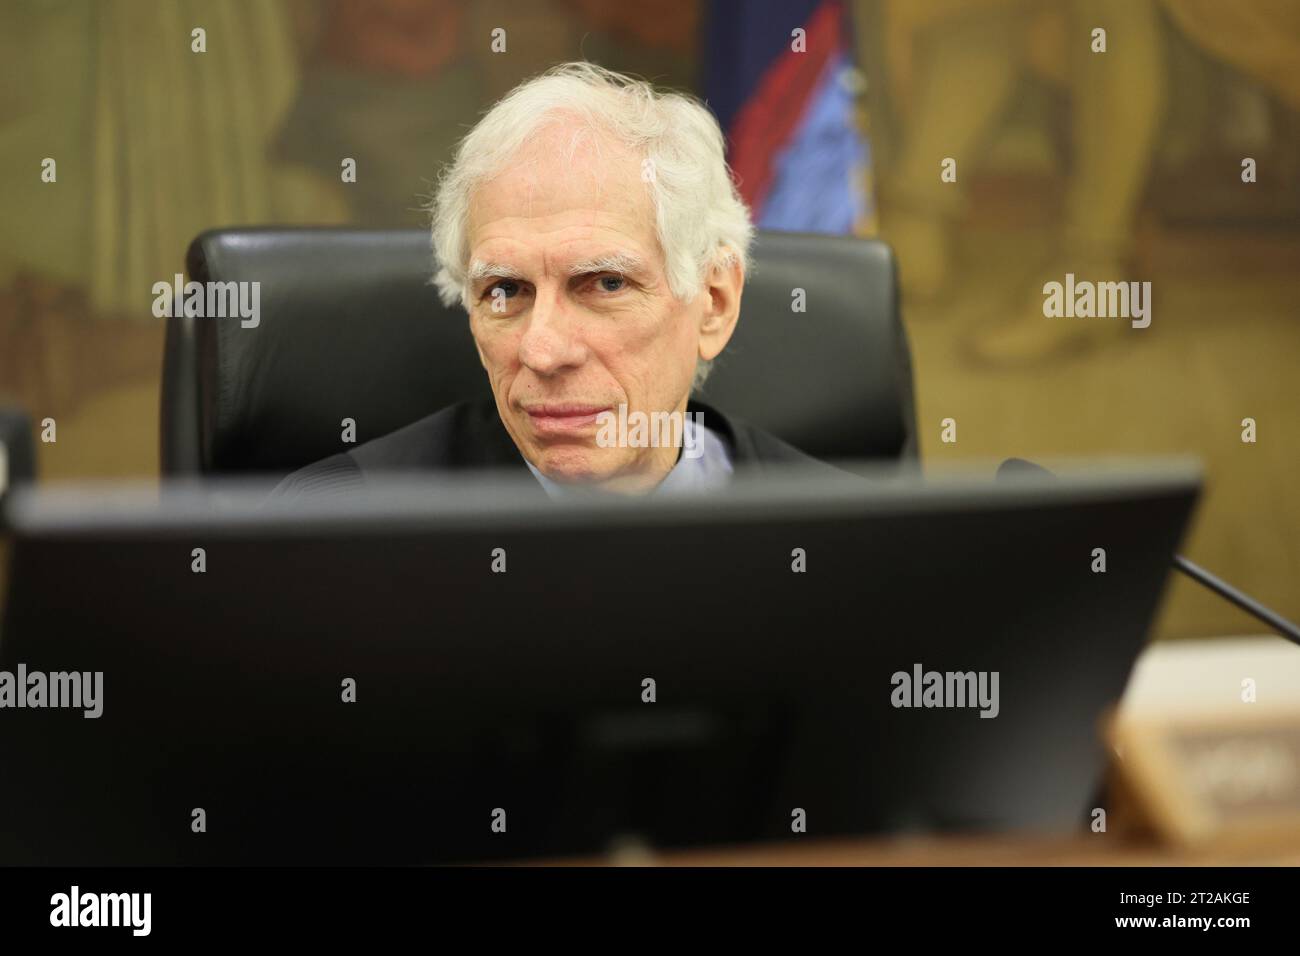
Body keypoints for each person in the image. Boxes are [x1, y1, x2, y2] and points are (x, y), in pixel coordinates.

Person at [275, 62, 838, 500]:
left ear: (714, 302)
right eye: (505, 291)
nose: (541, 352)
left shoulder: (843, 542)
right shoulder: (339, 524)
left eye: (606, 284)